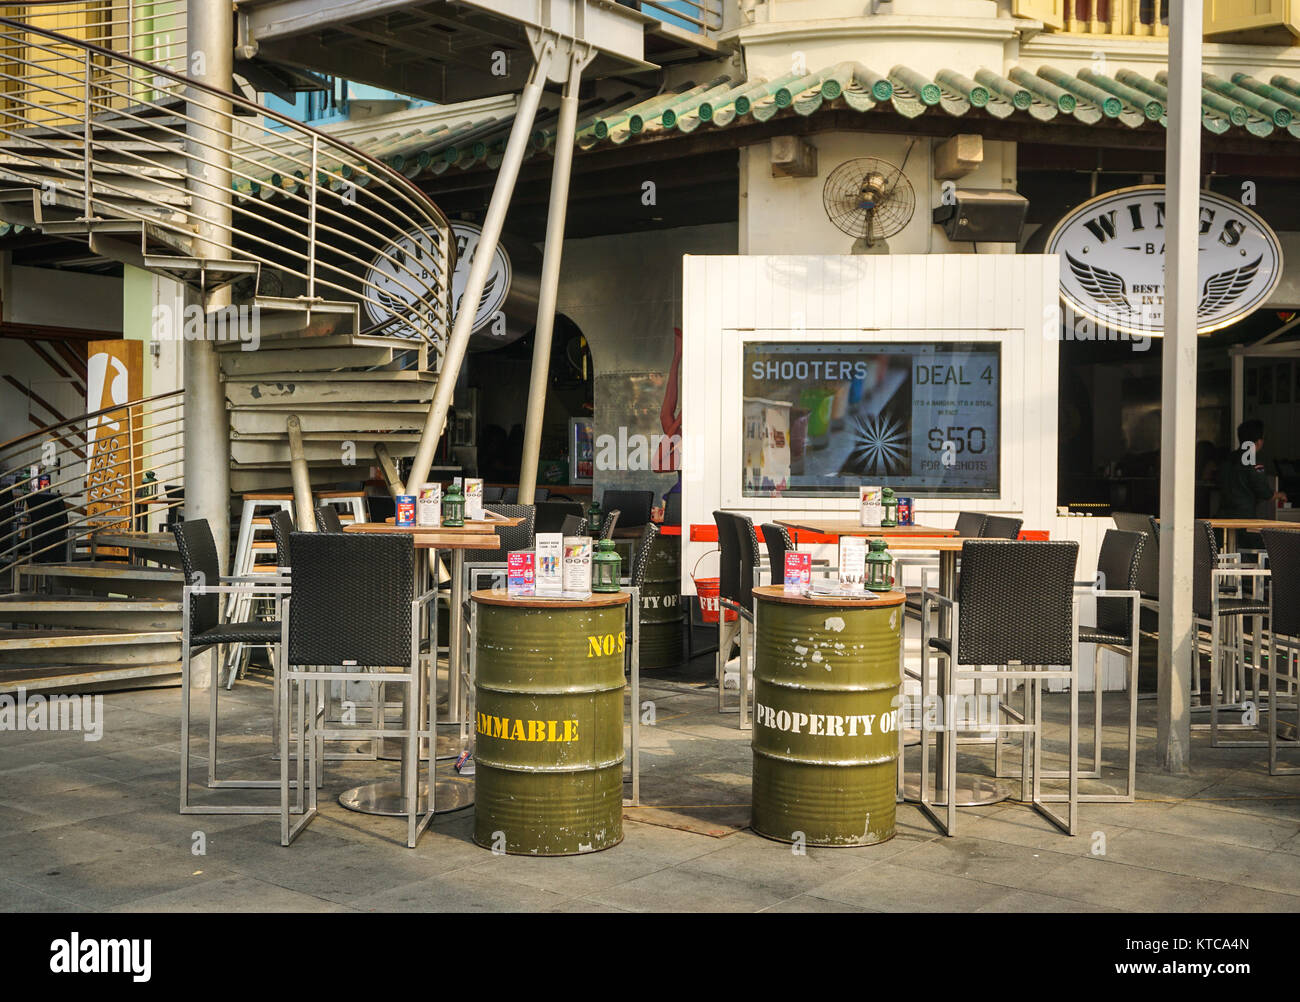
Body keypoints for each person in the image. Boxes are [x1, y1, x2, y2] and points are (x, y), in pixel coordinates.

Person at [1218, 419, 1288, 517]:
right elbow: (1264, 492)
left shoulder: (1227, 458)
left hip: (1223, 514)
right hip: (1244, 517)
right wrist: (1280, 495)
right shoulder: (1253, 462)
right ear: (1259, 441)